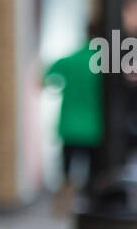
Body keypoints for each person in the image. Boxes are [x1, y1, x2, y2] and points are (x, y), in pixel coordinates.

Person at [42, 19, 105, 212]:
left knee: (67, 171)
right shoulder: (104, 62)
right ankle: (93, 205)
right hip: (95, 126)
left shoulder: (70, 59)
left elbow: (45, 79)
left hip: (70, 125)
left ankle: (62, 207)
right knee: (94, 172)